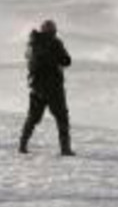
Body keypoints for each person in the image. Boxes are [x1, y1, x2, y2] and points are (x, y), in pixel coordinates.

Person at [18, 19, 75, 155]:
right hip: (53, 87)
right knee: (62, 118)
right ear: (52, 31)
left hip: (36, 87)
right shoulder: (55, 43)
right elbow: (66, 61)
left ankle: (22, 145)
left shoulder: (31, 44)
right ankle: (65, 149)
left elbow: (29, 61)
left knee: (32, 118)